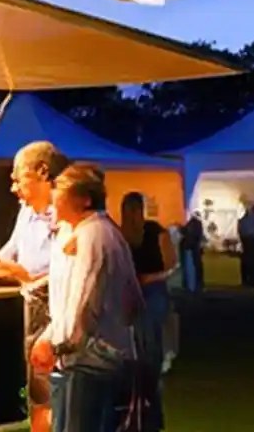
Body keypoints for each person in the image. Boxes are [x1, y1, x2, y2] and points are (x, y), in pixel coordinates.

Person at [31, 163, 142, 432]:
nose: (54, 195)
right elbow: (134, 301)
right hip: (92, 358)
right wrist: (50, 336)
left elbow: (83, 302)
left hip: (90, 362)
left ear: (84, 199)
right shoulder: (83, 232)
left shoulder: (94, 236)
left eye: (61, 189)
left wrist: (60, 345)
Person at [0, 142, 71, 432]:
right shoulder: (26, 212)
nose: (13, 188)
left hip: (59, 317)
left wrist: (25, 276)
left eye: (18, 178)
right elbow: (9, 252)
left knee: (59, 391)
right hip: (32, 313)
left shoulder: (66, 214)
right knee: (38, 391)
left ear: (42, 172)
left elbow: (68, 269)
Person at [120, 192, 175, 431]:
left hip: (145, 292)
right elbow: (171, 264)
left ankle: (145, 405)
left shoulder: (136, 234)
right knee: (145, 351)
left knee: (145, 350)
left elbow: (170, 263)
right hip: (143, 292)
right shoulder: (132, 234)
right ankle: (144, 406)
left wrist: (147, 278)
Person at [179, 213, 205, 293]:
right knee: (196, 267)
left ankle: (191, 287)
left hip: (189, 248)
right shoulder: (197, 224)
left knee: (190, 268)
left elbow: (184, 233)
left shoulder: (190, 224)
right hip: (194, 248)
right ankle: (196, 286)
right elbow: (198, 237)